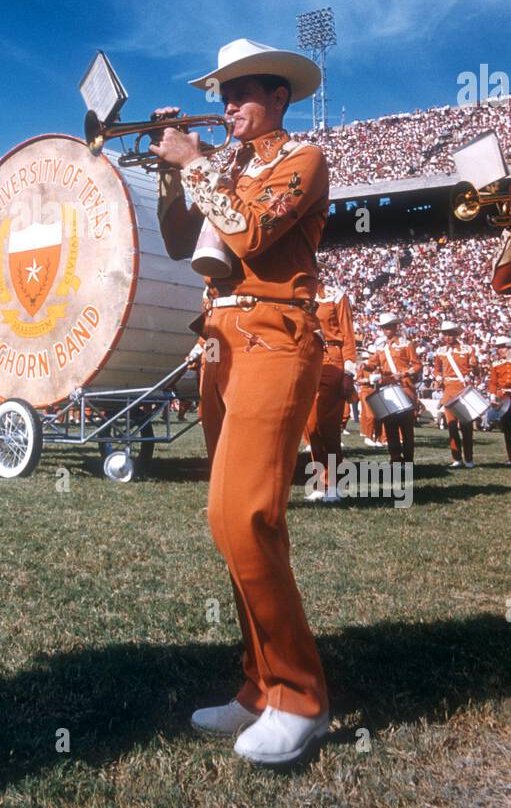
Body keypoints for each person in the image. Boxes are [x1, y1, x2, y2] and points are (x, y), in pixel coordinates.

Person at [152, 37, 329, 767]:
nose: (226, 106)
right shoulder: (225, 165)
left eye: (242, 92)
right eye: (222, 94)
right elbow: (173, 240)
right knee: (235, 525)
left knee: (241, 513)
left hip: (275, 331)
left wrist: (194, 165)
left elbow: (253, 230)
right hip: (221, 338)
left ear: (280, 96)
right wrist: (172, 177)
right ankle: (259, 684)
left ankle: (299, 696)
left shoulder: (302, 158)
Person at [303, 277, 357, 500]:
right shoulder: (298, 298)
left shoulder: (336, 295)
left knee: (329, 427)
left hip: (332, 360)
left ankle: (334, 485)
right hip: (306, 360)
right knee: (311, 427)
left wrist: (348, 372)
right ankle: (319, 484)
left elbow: (348, 335)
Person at [370, 312, 420, 465]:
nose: (387, 329)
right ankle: (395, 459)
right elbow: (373, 363)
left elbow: (417, 365)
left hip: (404, 387)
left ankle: (409, 460)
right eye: (384, 327)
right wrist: (365, 365)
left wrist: (405, 373)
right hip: (388, 389)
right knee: (390, 427)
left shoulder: (406, 344)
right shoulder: (380, 347)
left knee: (406, 428)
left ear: (396, 326)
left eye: (390, 326)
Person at [432, 320, 478, 469]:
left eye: (450, 333)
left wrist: (475, 366)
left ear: (456, 334)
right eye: (445, 334)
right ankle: (457, 458)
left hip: (463, 389)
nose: (447, 337)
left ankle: (469, 459)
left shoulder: (467, 349)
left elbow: (476, 371)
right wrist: (438, 379)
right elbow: (437, 370)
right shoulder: (440, 351)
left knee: (466, 426)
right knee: (451, 426)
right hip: (448, 390)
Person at [487, 336, 511, 465]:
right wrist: (492, 397)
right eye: (498, 348)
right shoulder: (496, 364)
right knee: (507, 429)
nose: (499, 350)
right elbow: (493, 383)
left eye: (502, 347)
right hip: (504, 399)